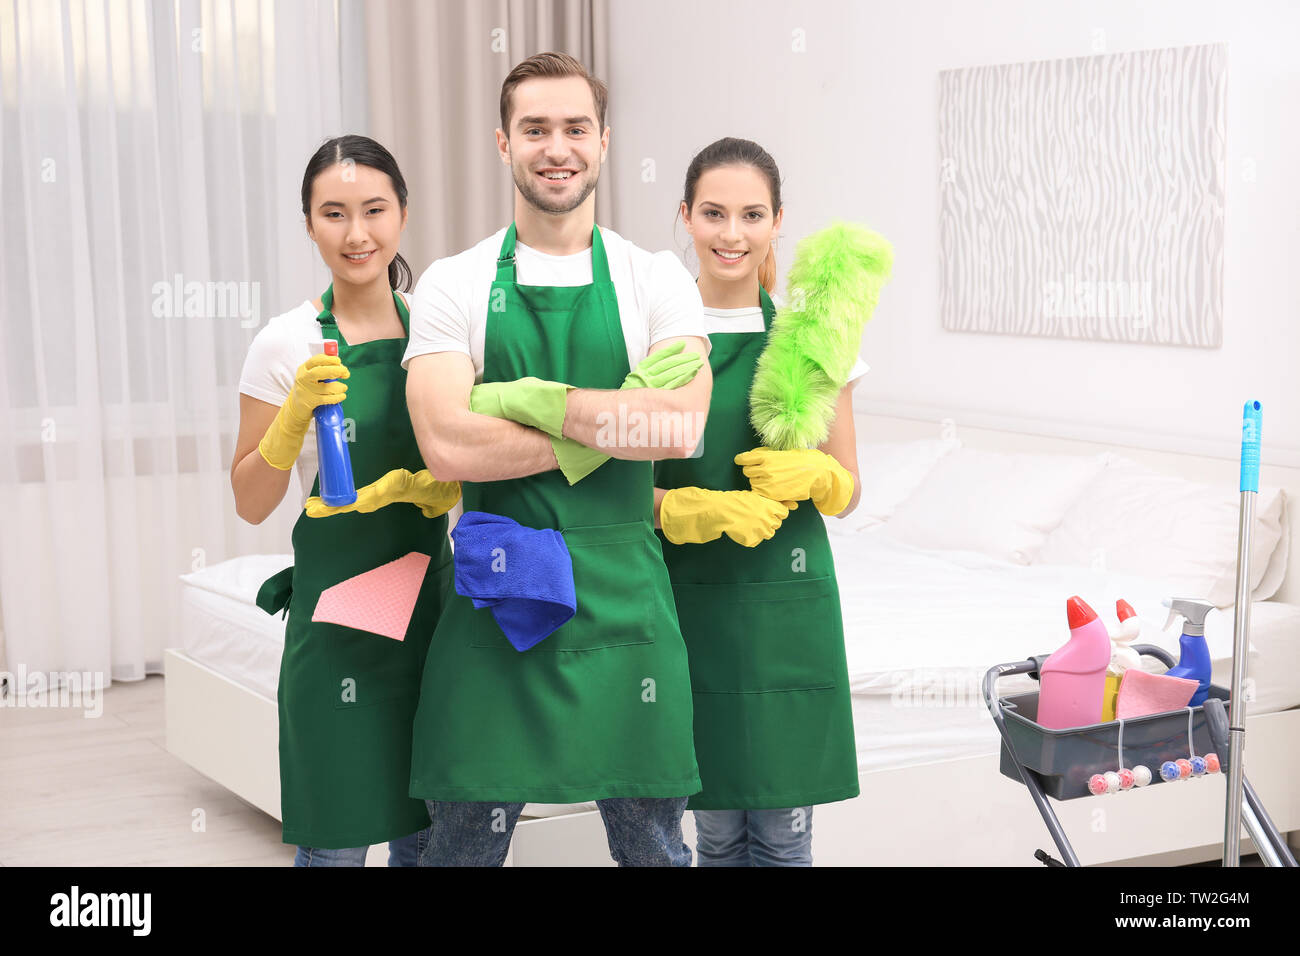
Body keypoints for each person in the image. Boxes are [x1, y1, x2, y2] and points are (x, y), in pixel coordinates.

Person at [400, 52, 712, 866]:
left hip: (627, 607)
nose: (556, 146)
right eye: (534, 129)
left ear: (604, 141)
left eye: (575, 127)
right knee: (462, 844)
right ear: (503, 143)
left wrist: (518, 401)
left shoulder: (657, 279)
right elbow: (443, 443)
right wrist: (606, 426)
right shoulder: (454, 282)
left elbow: (678, 431)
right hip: (496, 594)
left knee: (653, 847)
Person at [231, 135, 460, 866]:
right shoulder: (283, 341)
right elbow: (249, 500)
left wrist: (440, 483)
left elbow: (474, 449)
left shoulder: (438, 325)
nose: (356, 234)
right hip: (337, 619)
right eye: (333, 213)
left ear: (401, 214)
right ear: (308, 223)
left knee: (425, 834)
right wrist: (291, 420)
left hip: (428, 607)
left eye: (373, 210)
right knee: (333, 838)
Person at [653, 137, 865, 866]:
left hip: (787, 604)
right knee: (712, 828)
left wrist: (815, 477)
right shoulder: (653, 341)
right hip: (689, 604)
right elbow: (618, 495)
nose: (731, 234)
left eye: (751, 214)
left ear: (778, 221)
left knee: (783, 831)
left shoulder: (811, 343)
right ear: (686, 216)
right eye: (713, 213)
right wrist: (688, 510)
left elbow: (848, 488)